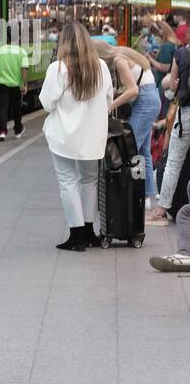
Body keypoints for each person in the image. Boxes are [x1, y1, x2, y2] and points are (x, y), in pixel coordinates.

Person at [39, 22, 112, 251]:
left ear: (64, 44)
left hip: (64, 137)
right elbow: (109, 100)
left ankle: (77, 235)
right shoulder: (101, 66)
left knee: (68, 182)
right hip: (93, 137)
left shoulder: (58, 69)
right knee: (89, 181)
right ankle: (90, 232)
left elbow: (47, 103)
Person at [96, 41, 160, 207]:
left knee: (130, 150)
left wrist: (109, 106)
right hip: (151, 97)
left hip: (144, 101)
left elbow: (133, 90)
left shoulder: (118, 59)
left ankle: (132, 195)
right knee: (142, 151)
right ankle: (145, 196)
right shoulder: (123, 51)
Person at [150, 45, 190, 227]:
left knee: (173, 163)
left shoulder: (181, 54)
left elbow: (172, 88)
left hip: (186, 116)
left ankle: (161, 210)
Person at [0, 38, 29, 141]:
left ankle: (2, 132)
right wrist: (24, 85)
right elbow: (24, 69)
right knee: (17, 108)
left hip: (2, 84)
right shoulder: (22, 52)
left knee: (3, 108)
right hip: (16, 85)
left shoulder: (0, 50)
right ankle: (17, 130)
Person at [150, 20, 179, 114]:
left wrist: (149, 58)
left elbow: (165, 67)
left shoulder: (167, 46)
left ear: (161, 32)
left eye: (156, 34)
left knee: (162, 112)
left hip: (163, 84)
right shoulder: (173, 43)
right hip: (168, 81)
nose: (155, 37)